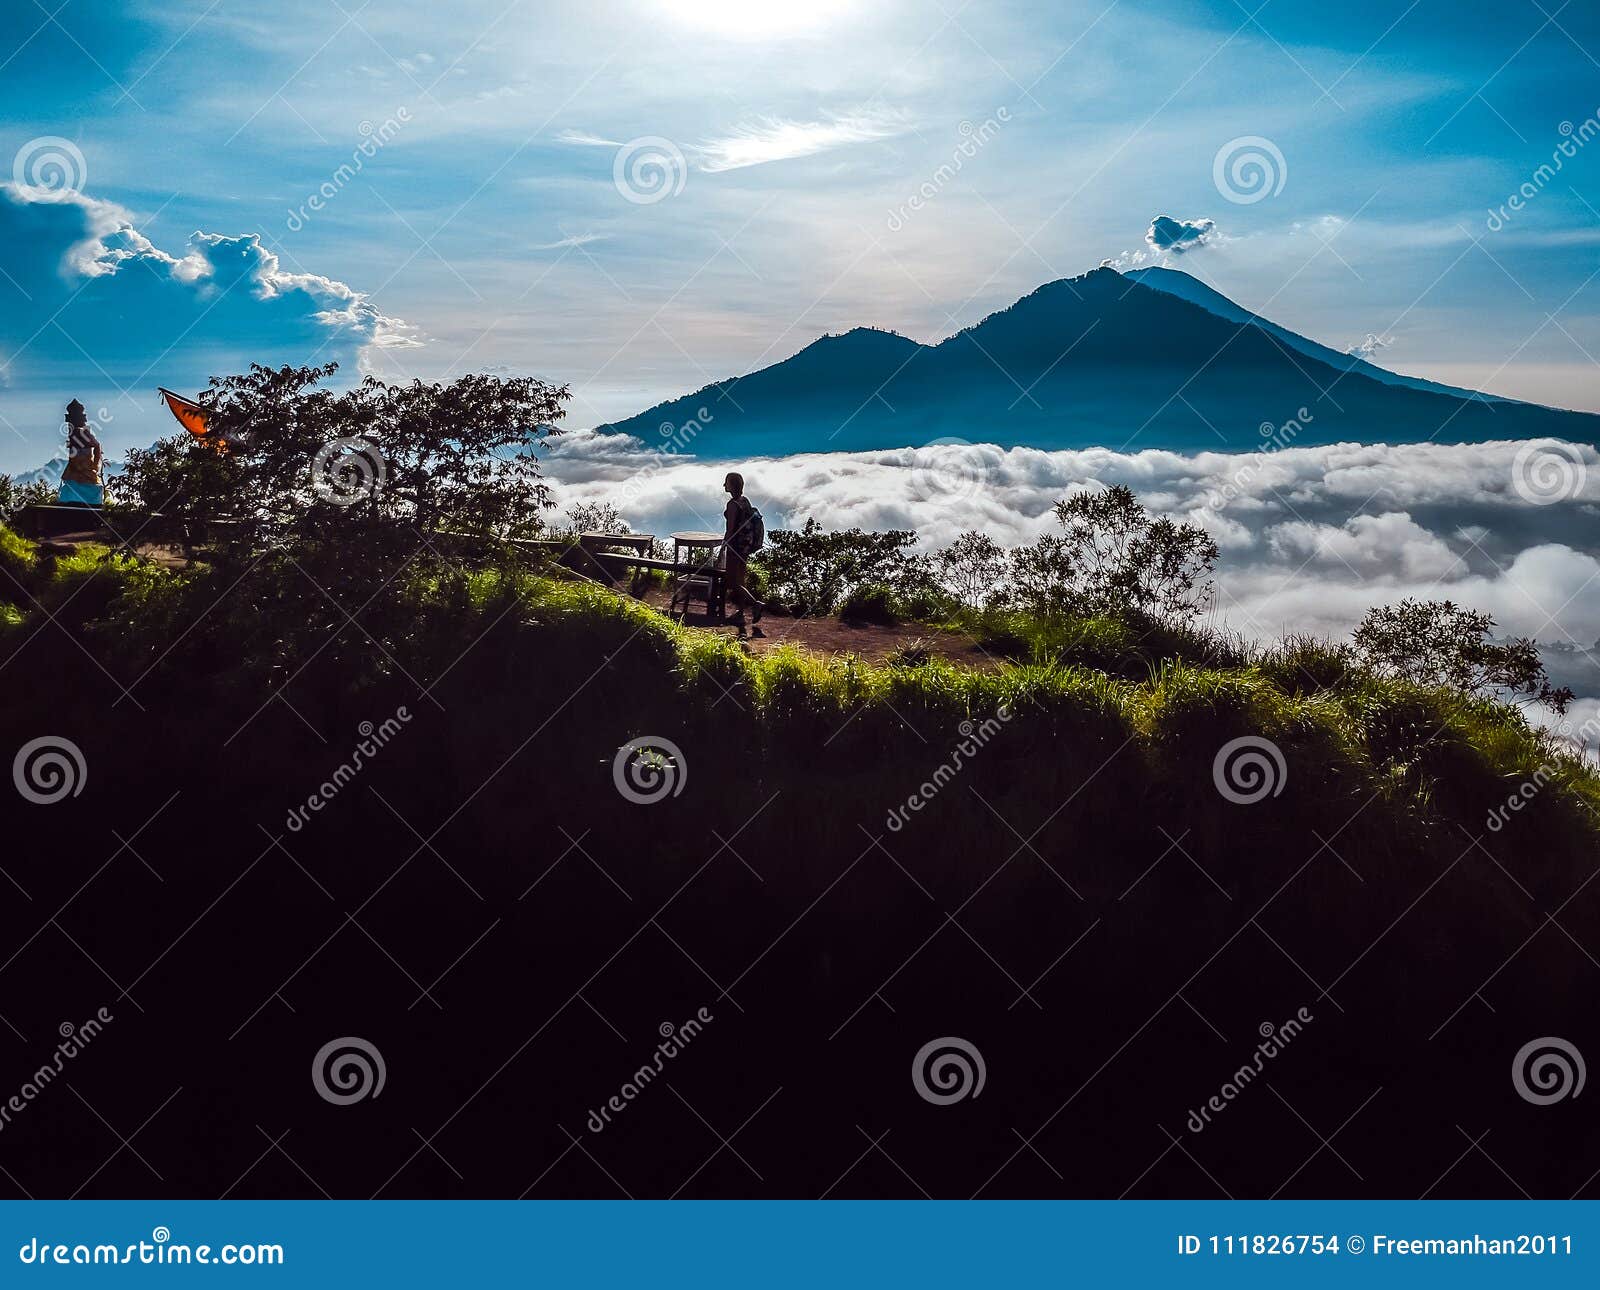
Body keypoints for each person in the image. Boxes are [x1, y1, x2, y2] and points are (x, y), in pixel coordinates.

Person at [721, 471, 765, 629]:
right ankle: (740, 614)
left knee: (732, 581)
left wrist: (723, 546)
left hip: (735, 547)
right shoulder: (744, 501)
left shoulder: (732, 504)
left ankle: (755, 604)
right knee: (740, 580)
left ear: (732, 485)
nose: (724, 485)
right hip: (745, 547)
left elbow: (731, 529)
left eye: (726, 482)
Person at [58, 399, 105, 506]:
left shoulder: (84, 433)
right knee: (71, 488)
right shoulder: (73, 432)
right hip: (75, 470)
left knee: (84, 488)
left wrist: (95, 465)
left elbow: (97, 445)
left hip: (85, 469)